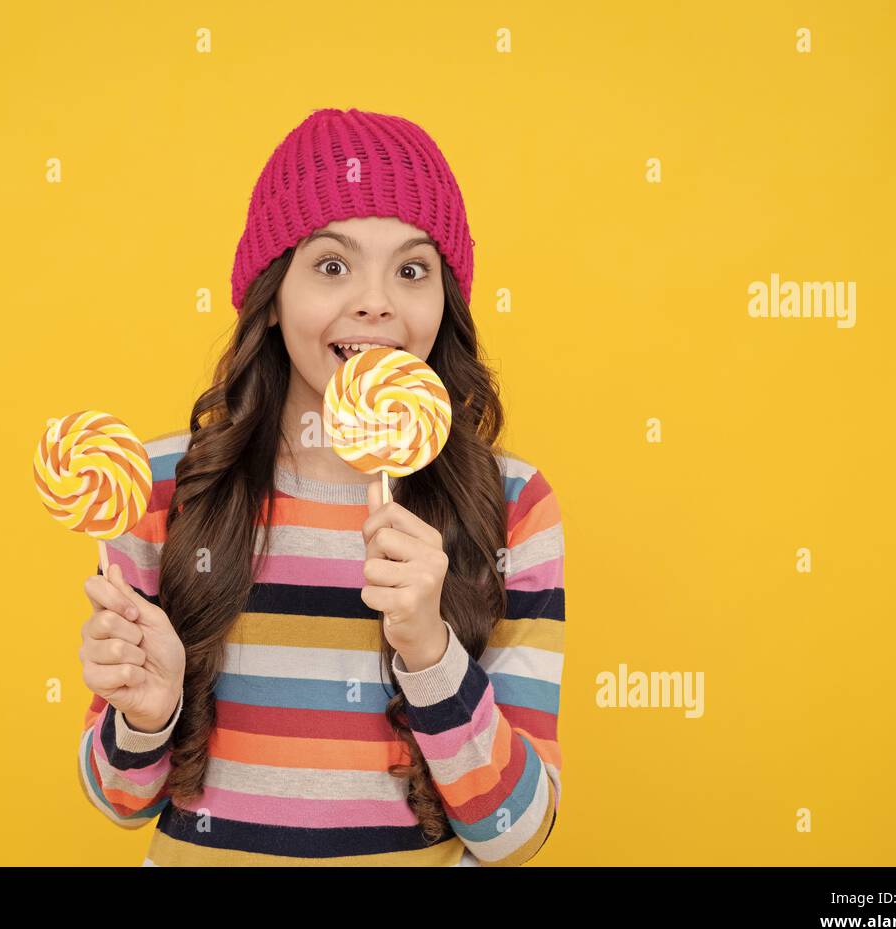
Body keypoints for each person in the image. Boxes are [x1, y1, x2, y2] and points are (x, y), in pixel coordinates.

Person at [76, 107, 566, 866]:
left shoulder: (510, 505)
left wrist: (430, 651)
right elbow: (118, 799)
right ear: (271, 297)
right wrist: (150, 713)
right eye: (332, 265)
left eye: (411, 269)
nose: (375, 301)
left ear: (445, 300)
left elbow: (519, 834)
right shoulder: (164, 488)